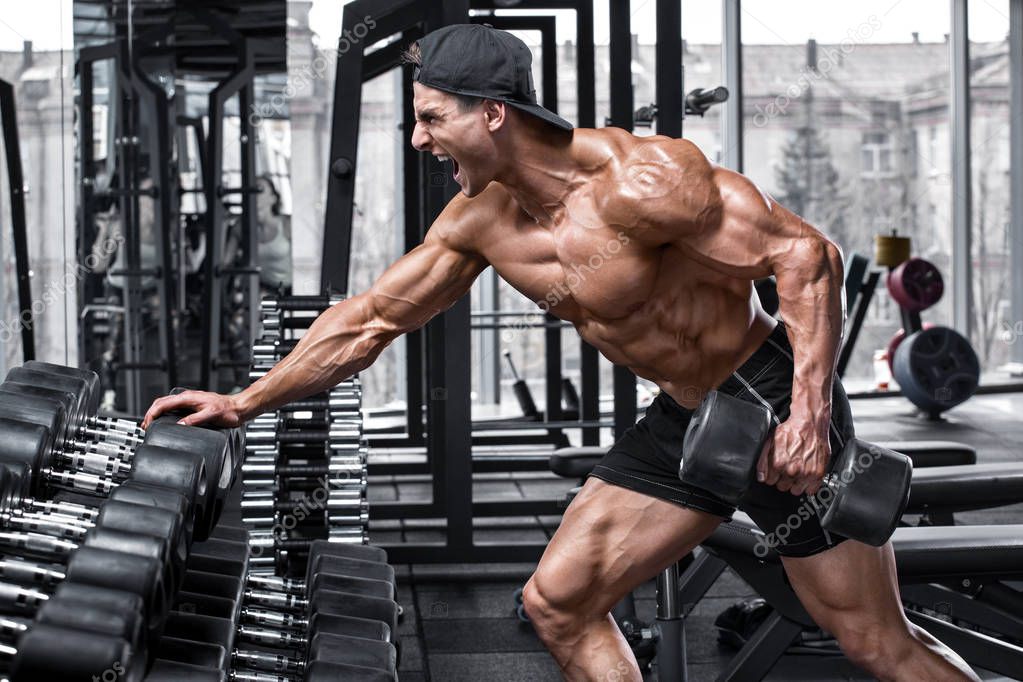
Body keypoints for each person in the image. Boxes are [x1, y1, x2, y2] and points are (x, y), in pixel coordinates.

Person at [143, 24, 979, 682]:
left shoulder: (642, 182)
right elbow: (368, 322)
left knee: (873, 643)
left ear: (492, 113)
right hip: (688, 420)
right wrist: (244, 402)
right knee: (558, 604)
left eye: (431, 116)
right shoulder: (478, 223)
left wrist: (807, 416)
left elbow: (805, 259)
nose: (418, 138)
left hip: (763, 400)